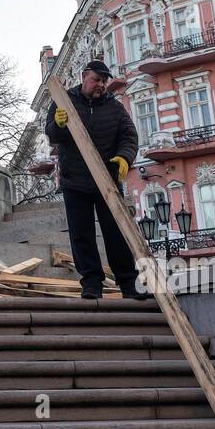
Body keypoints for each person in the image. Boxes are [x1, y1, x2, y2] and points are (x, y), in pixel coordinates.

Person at [44, 60, 145, 300]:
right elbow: (51, 134)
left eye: (104, 80)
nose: (101, 84)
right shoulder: (64, 101)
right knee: (82, 234)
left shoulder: (114, 107)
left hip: (107, 181)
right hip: (75, 180)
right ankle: (91, 283)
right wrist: (58, 124)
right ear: (84, 77)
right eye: (96, 79)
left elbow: (129, 136)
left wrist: (124, 158)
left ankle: (128, 283)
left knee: (117, 232)